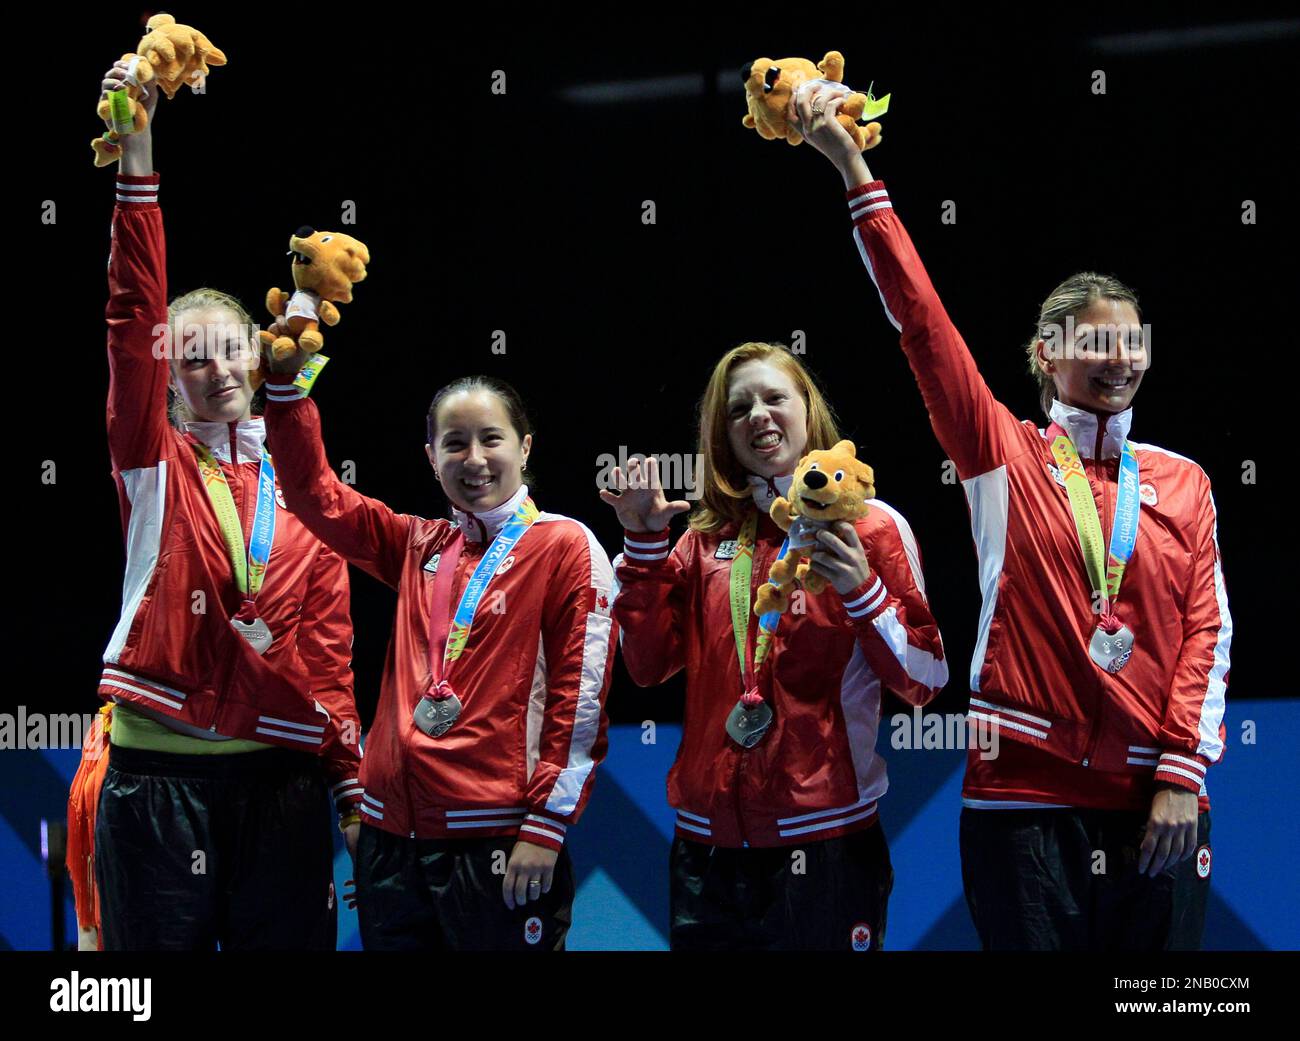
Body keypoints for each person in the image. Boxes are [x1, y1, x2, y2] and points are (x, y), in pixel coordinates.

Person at [792, 80, 1230, 950]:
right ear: (1046, 353)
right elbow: (920, 322)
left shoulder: (1185, 481)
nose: (1120, 359)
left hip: (1159, 800)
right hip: (1020, 802)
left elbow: (1205, 632)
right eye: (1097, 341)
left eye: (1134, 342)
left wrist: (1184, 769)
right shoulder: (1000, 453)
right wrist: (853, 169)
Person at [74, 59, 364, 951]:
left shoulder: (307, 485)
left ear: (259, 353)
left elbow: (327, 646)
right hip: (155, 775)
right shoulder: (150, 462)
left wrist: (350, 787)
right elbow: (132, 312)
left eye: (231, 349)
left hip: (280, 785)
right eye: (191, 356)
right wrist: (140, 156)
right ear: (168, 380)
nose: (218, 369)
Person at [259, 350, 617, 950]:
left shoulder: (565, 546)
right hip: (391, 841)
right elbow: (313, 494)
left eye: (491, 439)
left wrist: (546, 826)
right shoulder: (416, 545)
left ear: (525, 447)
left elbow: (579, 700)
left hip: (498, 839)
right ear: (431, 458)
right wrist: (287, 390)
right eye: (454, 444)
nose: (474, 459)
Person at [603, 341, 947, 950]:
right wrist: (644, 547)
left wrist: (862, 592)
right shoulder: (705, 540)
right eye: (739, 408)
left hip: (825, 841)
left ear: (807, 410)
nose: (758, 415)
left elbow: (924, 680)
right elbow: (646, 667)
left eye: (773, 398)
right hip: (705, 846)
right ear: (722, 434)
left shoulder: (871, 526)